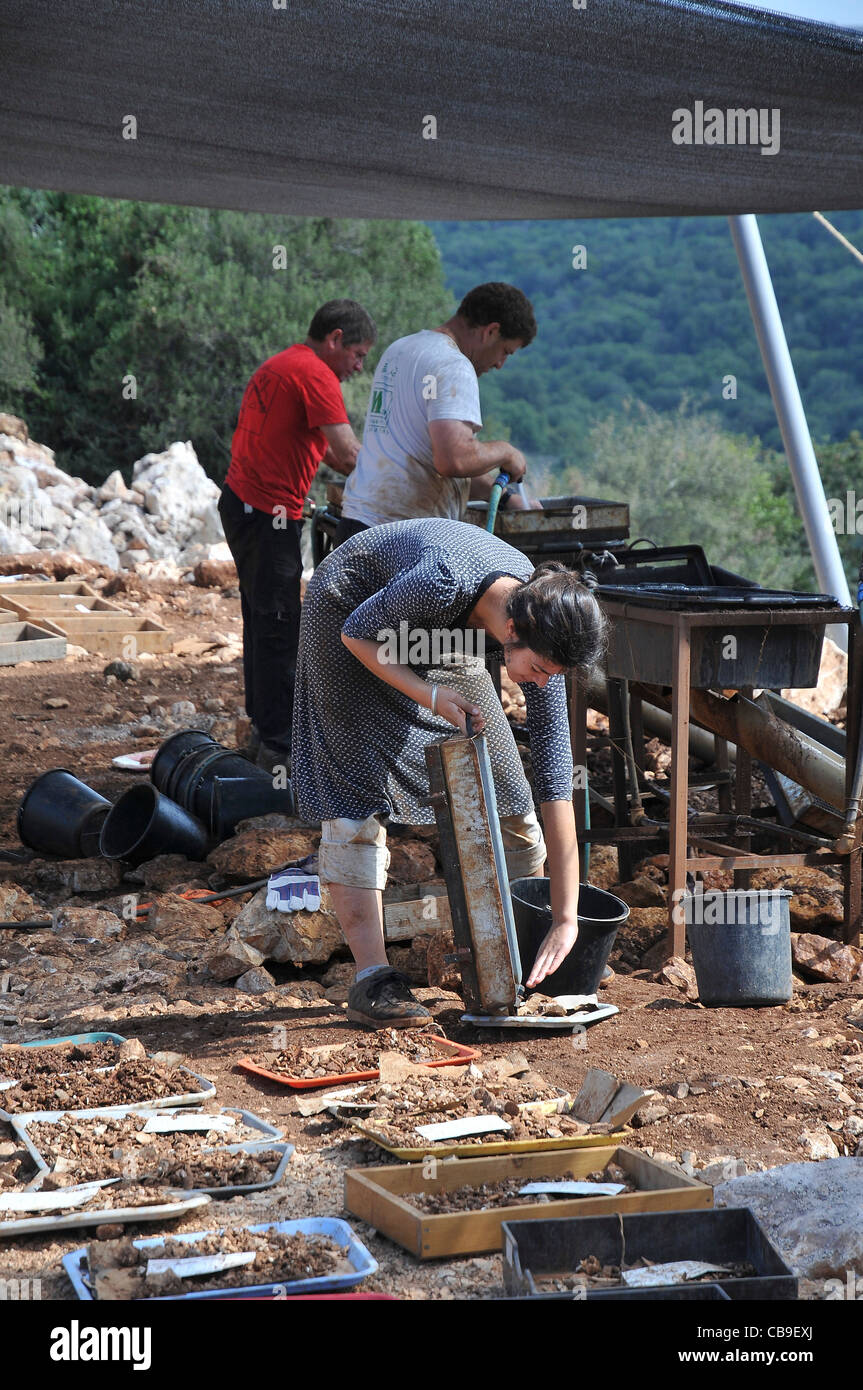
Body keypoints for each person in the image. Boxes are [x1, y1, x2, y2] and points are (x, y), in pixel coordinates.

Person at [292, 517, 605, 1029]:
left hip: (437, 633)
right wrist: (430, 695)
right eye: (543, 671)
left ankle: (519, 952)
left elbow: (553, 777)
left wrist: (566, 917)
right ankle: (373, 979)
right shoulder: (443, 579)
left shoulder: (536, 612)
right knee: (355, 802)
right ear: (512, 631)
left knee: (512, 796)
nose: (545, 682)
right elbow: (356, 633)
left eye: (554, 674)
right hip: (350, 620)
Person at [218, 300, 376, 772]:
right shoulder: (315, 373)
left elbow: (310, 443)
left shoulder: (283, 363)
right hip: (269, 515)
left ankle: (265, 734)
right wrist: (400, 476)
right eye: (358, 355)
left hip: (241, 504)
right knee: (280, 629)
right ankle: (282, 752)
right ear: (335, 340)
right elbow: (348, 456)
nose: (358, 367)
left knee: (261, 621)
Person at [335, 282, 539, 545]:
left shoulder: (400, 349)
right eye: (505, 352)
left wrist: (507, 499)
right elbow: (453, 460)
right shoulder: (454, 366)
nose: (500, 364)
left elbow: (432, 458)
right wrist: (506, 452)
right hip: (402, 539)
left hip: (357, 525)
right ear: (491, 331)